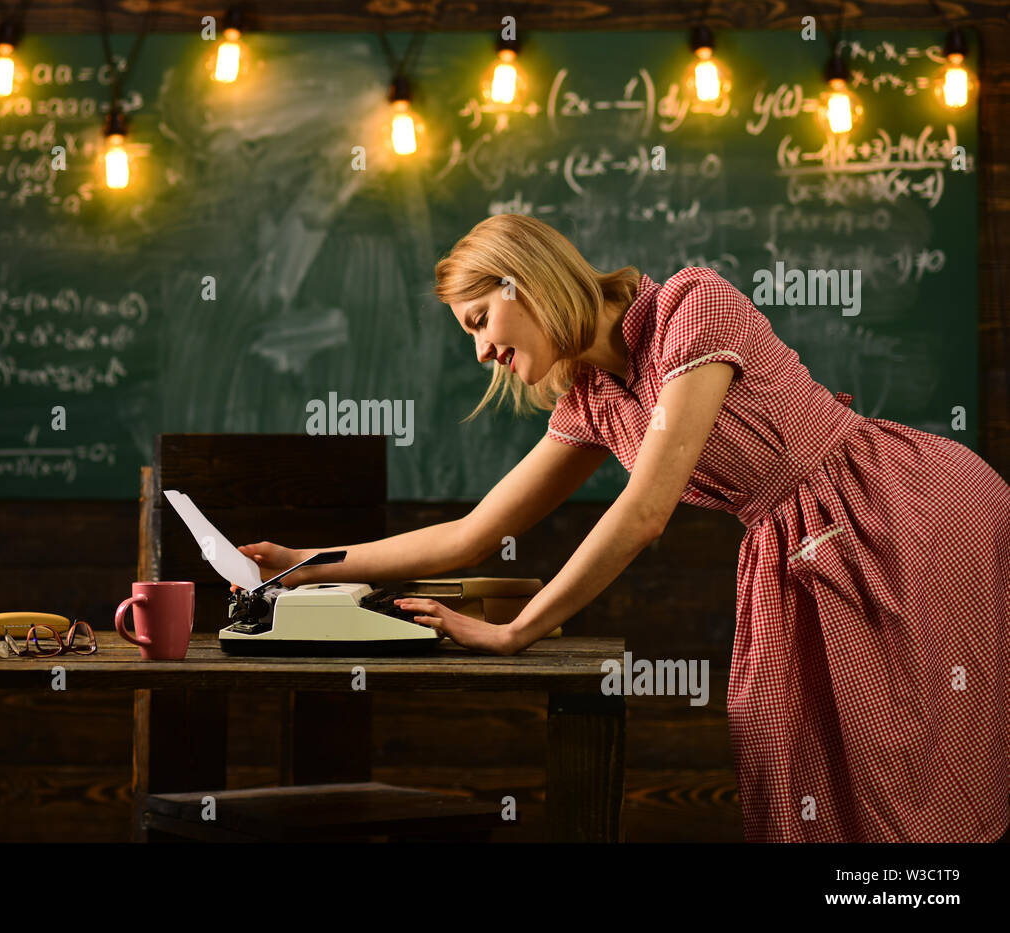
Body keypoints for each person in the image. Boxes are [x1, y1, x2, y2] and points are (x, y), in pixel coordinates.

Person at [235, 213, 1010, 843]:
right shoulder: (594, 400)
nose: (480, 351)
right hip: (792, 545)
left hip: (898, 510)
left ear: (523, 280)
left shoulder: (691, 309)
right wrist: (307, 563)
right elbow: (473, 532)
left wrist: (518, 631)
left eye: (479, 319)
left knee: (918, 758)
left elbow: (644, 512)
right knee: (792, 753)